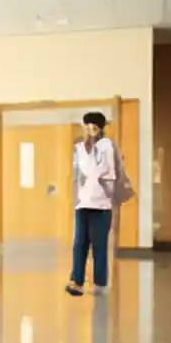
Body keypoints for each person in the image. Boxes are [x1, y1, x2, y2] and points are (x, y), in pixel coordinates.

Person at [65, 111, 132, 297]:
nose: (90, 128)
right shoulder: (78, 147)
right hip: (83, 204)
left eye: (94, 125)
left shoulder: (107, 146)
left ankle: (100, 283)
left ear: (101, 127)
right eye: (87, 125)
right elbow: (77, 173)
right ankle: (76, 281)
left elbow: (106, 171)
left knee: (99, 245)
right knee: (79, 243)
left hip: (102, 205)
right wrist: (76, 195)